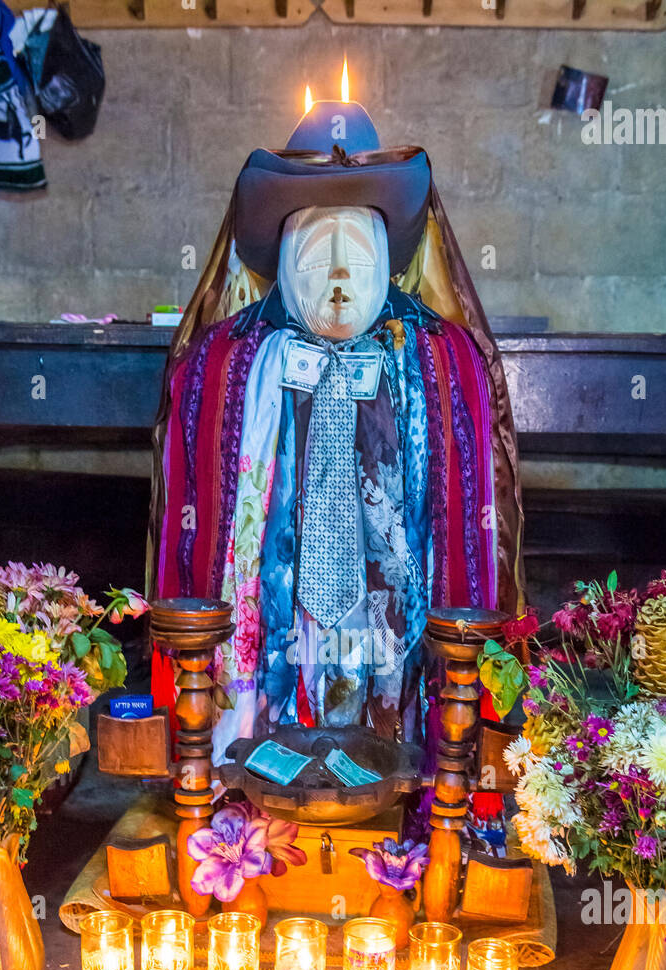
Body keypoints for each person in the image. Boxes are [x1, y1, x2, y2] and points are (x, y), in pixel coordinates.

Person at [148, 97, 525, 766]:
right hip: (265, 661)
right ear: (283, 263)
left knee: (399, 743)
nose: (343, 275)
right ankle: (249, 761)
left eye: (359, 251)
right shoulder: (222, 368)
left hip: (398, 655)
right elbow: (193, 530)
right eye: (320, 254)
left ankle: (409, 760)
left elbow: (472, 531)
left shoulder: (442, 364)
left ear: (389, 258)